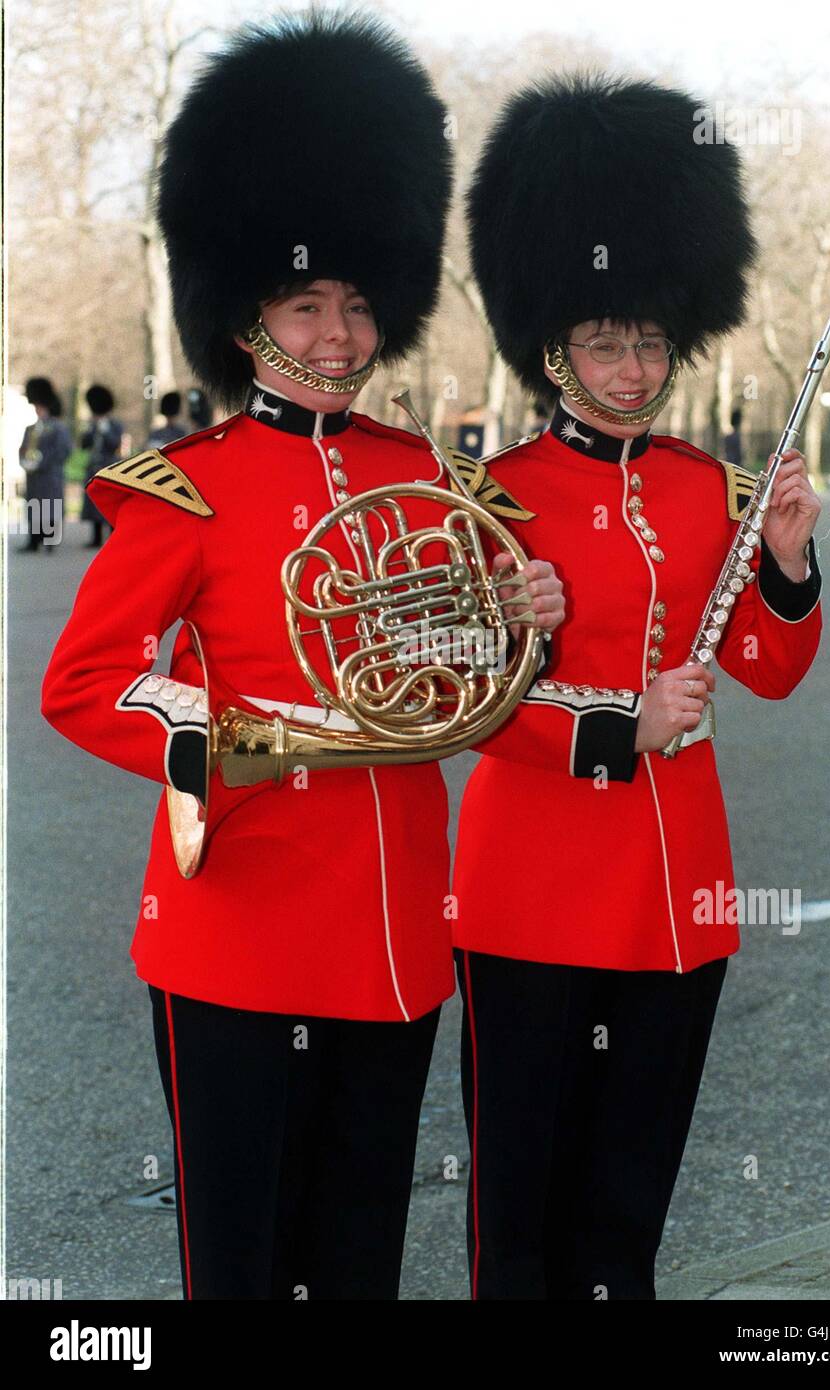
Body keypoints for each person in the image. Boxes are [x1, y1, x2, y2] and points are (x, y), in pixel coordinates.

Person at [41, 10, 562, 1302]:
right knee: (245, 1260)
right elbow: (86, 679)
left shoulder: (426, 480)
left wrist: (520, 626)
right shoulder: (188, 488)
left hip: (394, 932)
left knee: (359, 1253)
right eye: (302, 302)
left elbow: (466, 684)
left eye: (356, 303)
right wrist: (210, 739)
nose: (337, 334)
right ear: (240, 316)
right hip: (240, 926)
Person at [452, 74, 824, 1300]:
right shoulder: (491, 497)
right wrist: (615, 722)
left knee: (627, 1220)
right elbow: (466, 708)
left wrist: (782, 559)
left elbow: (769, 670)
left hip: (677, 898)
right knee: (522, 1220)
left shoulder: (702, 486)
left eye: (650, 340)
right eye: (605, 343)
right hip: (530, 896)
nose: (631, 365)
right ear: (552, 345)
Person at [19, 377, 70, 552]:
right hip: (34, 476)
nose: (37, 410)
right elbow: (23, 448)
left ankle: (50, 540)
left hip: (50, 474)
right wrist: (25, 461)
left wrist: (42, 462)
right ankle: (33, 541)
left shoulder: (58, 427)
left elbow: (63, 450)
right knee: (34, 506)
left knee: (50, 506)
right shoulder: (31, 428)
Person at [80, 384, 123, 547]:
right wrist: (89, 430)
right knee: (93, 503)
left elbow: (115, 444)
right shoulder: (91, 425)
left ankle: (113, 537)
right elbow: (84, 445)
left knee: (110, 502)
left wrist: (104, 430)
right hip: (93, 466)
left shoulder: (115, 425)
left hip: (109, 465)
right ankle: (96, 538)